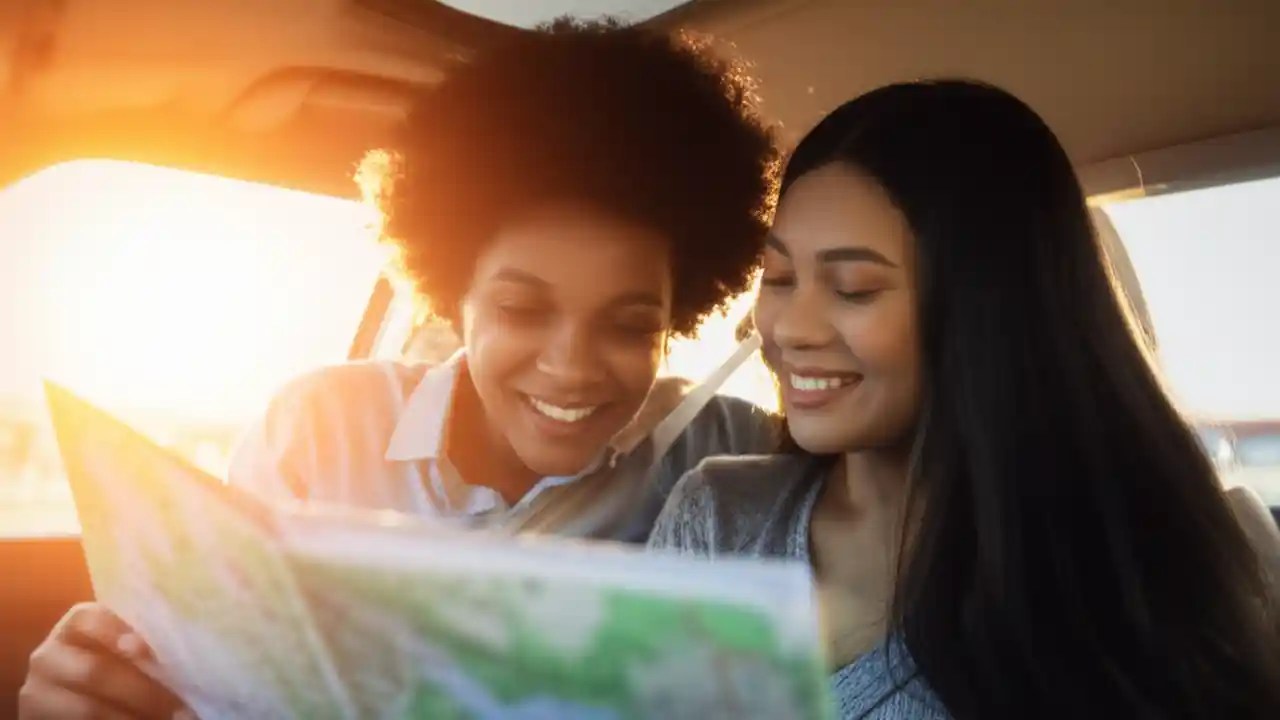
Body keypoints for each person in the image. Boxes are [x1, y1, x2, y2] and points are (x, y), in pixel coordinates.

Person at [20, 20, 778, 719]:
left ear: (680, 315)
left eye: (630, 325)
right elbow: (220, 680)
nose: (571, 367)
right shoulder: (319, 429)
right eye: (522, 309)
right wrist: (99, 688)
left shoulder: (722, 448)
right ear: (455, 294)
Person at [649, 79, 1280, 719]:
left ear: (985, 309)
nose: (788, 327)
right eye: (780, 278)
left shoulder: (1160, 571)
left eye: (853, 288)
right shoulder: (716, 521)